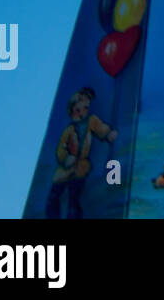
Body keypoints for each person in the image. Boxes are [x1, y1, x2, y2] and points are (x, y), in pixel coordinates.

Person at [45, 86, 116, 218]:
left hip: (80, 168)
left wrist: (108, 134)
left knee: (74, 197)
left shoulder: (91, 121)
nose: (82, 113)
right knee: (54, 196)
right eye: (78, 110)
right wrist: (66, 159)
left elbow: (101, 128)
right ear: (72, 111)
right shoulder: (69, 129)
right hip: (66, 168)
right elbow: (61, 149)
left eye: (85, 109)